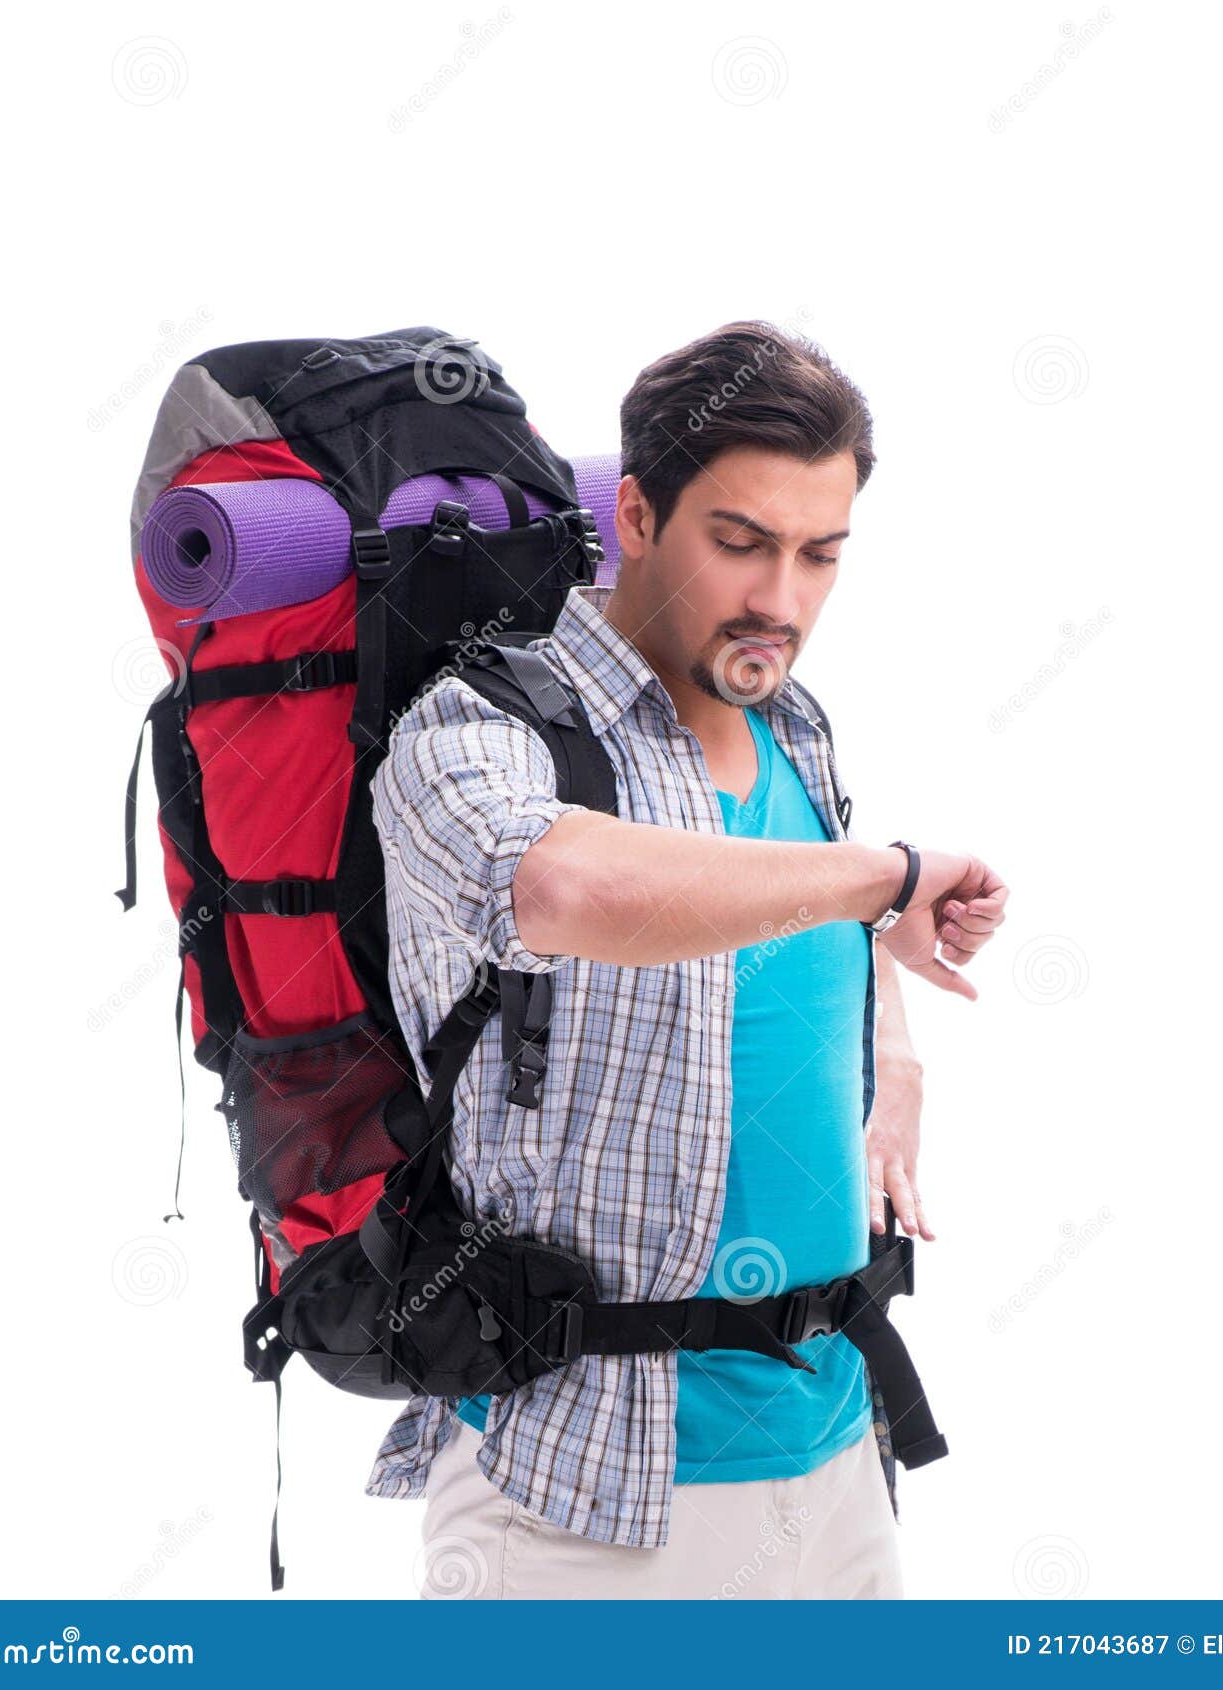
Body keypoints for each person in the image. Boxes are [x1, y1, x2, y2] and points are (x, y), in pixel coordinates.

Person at [367, 320, 1008, 1599]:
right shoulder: (476, 727)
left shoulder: (794, 725)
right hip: (585, 1494)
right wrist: (883, 878)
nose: (782, 599)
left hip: (835, 1447)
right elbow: (563, 886)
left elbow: (784, 894)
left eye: (820, 553)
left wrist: (889, 1037)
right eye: (741, 542)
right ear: (637, 515)